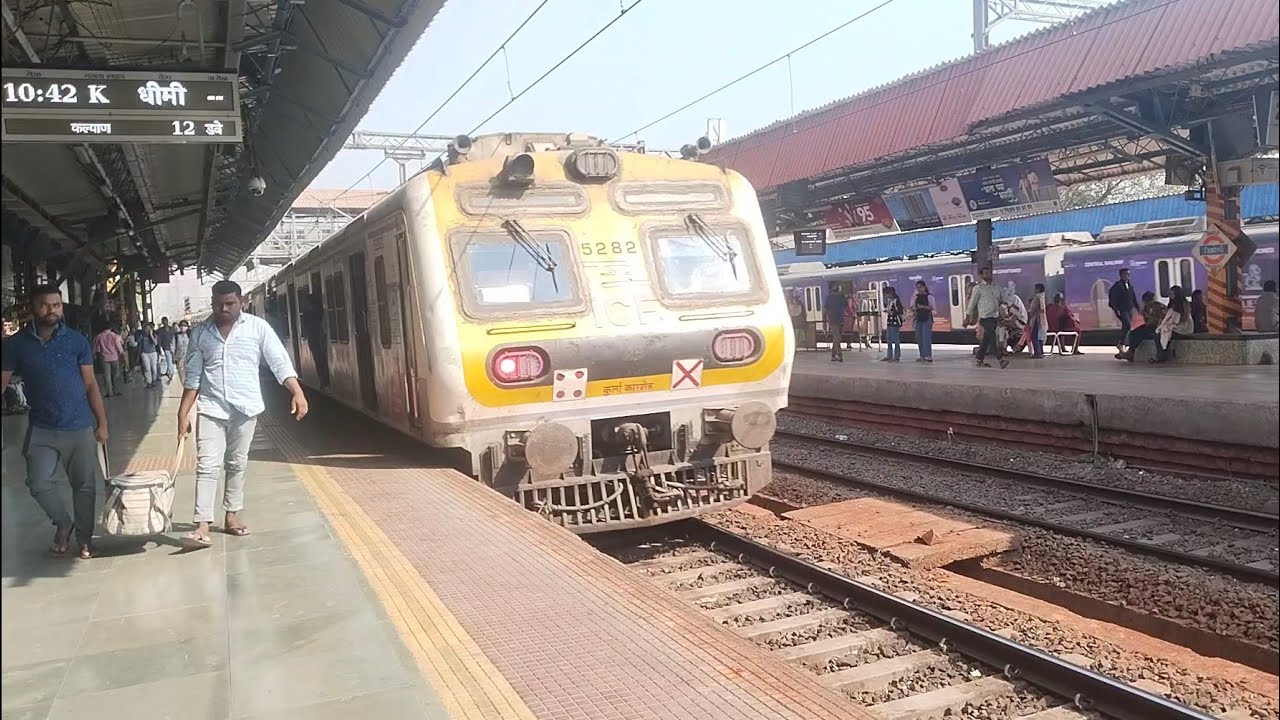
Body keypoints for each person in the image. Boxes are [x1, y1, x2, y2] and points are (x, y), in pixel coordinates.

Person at [178, 280, 309, 547]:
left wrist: (297, 392)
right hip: (212, 409)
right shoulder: (201, 333)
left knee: (237, 464)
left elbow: (278, 360)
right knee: (207, 465)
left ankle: (231, 516)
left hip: (246, 408)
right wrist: (183, 413)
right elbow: (193, 376)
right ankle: (202, 525)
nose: (223, 309)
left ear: (241, 301)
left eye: (230, 304)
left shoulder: (257, 328)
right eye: (218, 304)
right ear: (212, 302)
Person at [1, 285, 109, 559]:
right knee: (37, 482)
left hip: (79, 425)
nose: (52, 310)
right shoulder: (16, 345)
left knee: (84, 485)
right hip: (41, 428)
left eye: (57, 305)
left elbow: (90, 384)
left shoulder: (76, 341)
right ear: (32, 309)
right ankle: (63, 522)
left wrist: (102, 422)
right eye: (45, 305)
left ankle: (85, 540)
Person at [965, 266, 1008, 368]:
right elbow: (972, 304)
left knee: (986, 340)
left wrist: (1007, 307)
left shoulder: (997, 287)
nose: (988, 275)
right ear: (981, 275)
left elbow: (1004, 300)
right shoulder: (978, 288)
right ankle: (1000, 360)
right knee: (992, 338)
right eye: (985, 273)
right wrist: (967, 317)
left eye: (989, 273)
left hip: (995, 317)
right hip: (985, 317)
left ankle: (979, 360)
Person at [1121, 292, 1166, 362]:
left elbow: (1162, 320)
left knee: (1154, 335)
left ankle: (1159, 356)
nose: (1146, 304)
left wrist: (1149, 316)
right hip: (1149, 326)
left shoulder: (1160, 307)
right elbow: (1146, 320)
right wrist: (1147, 319)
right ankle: (1131, 352)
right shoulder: (1146, 308)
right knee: (1133, 333)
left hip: (1158, 327)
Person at [1153, 285, 1193, 364]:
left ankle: (1161, 356)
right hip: (1173, 325)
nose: (1170, 296)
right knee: (1159, 333)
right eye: (1170, 294)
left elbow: (1184, 317)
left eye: (1172, 294)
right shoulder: (1172, 304)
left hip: (1183, 326)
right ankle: (1160, 354)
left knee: (1166, 333)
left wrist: (1173, 324)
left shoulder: (1184, 303)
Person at [1108, 268, 1141, 358]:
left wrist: (1138, 307)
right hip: (1121, 310)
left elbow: (1133, 298)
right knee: (1128, 324)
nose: (1128, 276)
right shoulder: (1117, 286)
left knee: (1126, 327)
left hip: (1129, 309)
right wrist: (1116, 309)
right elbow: (1112, 298)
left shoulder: (1130, 286)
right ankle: (1121, 343)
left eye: (1129, 274)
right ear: (1121, 275)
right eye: (1126, 274)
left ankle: (1122, 349)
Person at [300, 293, 331, 387]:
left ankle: (323, 381)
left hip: (314, 340)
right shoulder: (319, 311)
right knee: (323, 360)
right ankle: (325, 380)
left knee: (319, 361)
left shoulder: (306, 315)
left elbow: (305, 331)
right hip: (321, 338)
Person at [92, 323, 126, 397]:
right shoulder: (114, 336)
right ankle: (115, 389)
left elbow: (95, 346)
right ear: (110, 328)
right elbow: (118, 345)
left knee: (106, 376)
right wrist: (122, 353)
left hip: (104, 358)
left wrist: (93, 355)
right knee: (116, 374)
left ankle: (109, 392)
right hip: (114, 358)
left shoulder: (99, 336)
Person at [909, 280, 935, 362]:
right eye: (917, 287)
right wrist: (914, 308)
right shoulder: (915, 297)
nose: (919, 289)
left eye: (920, 287)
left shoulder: (929, 297)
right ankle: (922, 355)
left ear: (924, 287)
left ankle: (928, 355)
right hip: (918, 317)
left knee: (926, 337)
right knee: (919, 337)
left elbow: (932, 307)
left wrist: (923, 307)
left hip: (927, 317)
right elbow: (912, 306)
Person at [824, 284, 847, 362]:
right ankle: (840, 355)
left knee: (836, 339)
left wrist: (824, 320)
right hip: (837, 320)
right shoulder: (840, 297)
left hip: (835, 320)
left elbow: (825, 309)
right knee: (837, 338)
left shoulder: (830, 297)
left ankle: (833, 355)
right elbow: (846, 306)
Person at [880, 286, 903, 362]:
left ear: (891, 293)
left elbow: (900, 311)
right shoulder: (889, 301)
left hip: (895, 321)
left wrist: (891, 312)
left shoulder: (896, 301)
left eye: (886, 293)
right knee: (888, 338)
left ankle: (896, 355)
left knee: (895, 339)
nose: (885, 295)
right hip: (890, 321)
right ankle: (889, 355)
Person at [1027, 283, 1048, 359]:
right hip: (1042, 319)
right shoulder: (1043, 297)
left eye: (1035, 288)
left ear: (1038, 289)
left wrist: (1029, 315)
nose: (1034, 290)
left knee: (1034, 336)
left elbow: (1033, 309)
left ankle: (1037, 353)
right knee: (1040, 337)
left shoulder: (1037, 298)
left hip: (1036, 319)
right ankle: (1041, 352)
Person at [156, 317, 176, 382]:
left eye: (166, 321)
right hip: (166, 347)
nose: (165, 322)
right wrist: (160, 348)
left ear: (167, 321)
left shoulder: (172, 329)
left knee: (172, 359)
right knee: (169, 360)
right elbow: (159, 340)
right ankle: (171, 373)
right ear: (162, 322)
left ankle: (168, 371)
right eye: (163, 321)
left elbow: (175, 337)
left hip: (172, 347)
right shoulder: (160, 331)